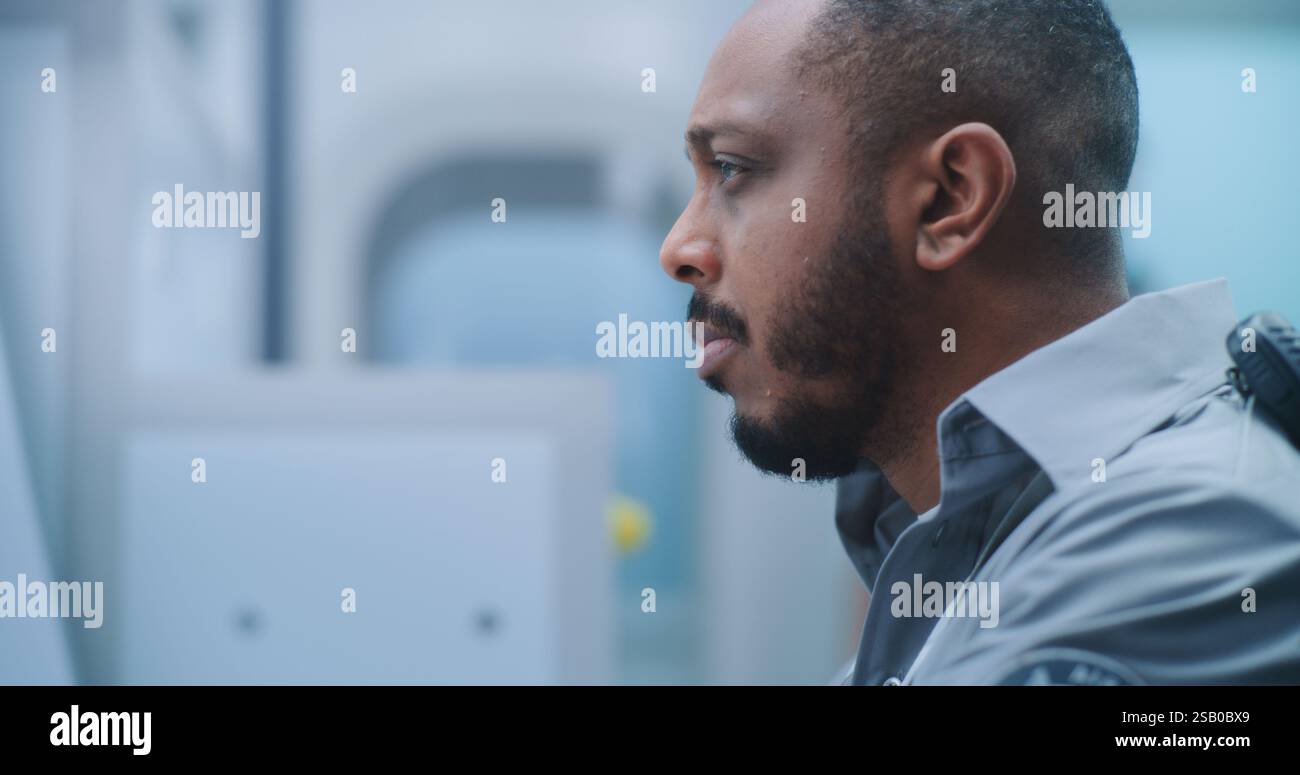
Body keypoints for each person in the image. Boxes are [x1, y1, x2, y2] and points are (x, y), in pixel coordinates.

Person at [659, 0, 1300, 684]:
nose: (679, 248)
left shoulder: (1181, 545)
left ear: (948, 198)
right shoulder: (967, 528)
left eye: (732, 168)